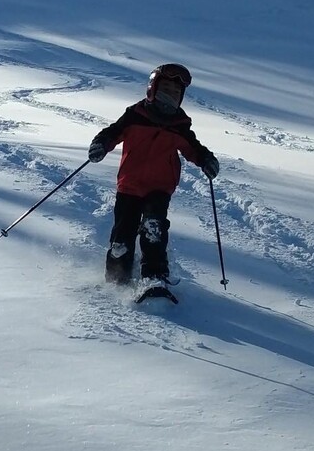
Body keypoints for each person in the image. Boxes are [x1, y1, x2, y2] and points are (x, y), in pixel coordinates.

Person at [87, 62, 219, 285]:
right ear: (153, 88)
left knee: (153, 228)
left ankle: (154, 277)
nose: (171, 96)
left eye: (176, 93)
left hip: (159, 186)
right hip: (129, 185)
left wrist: (206, 160)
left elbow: (193, 148)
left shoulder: (179, 125)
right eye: (166, 90)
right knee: (122, 235)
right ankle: (117, 278)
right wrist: (101, 144)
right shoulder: (135, 116)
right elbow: (113, 132)